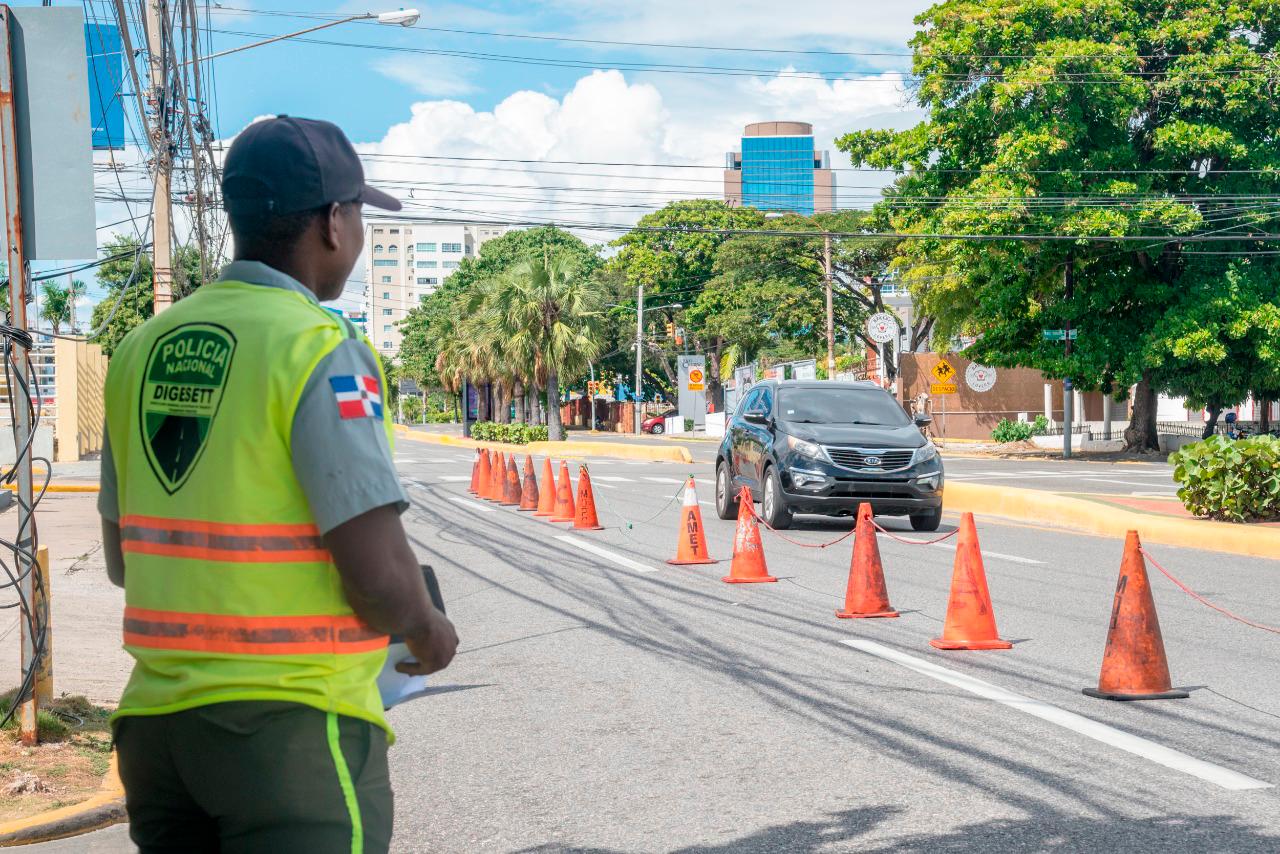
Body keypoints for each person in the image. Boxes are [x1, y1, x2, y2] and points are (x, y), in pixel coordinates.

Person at [98, 116, 458, 853]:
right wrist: (427, 630)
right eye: (358, 214)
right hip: (291, 735)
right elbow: (377, 577)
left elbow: (123, 558)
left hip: (156, 738)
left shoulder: (140, 349)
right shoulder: (320, 348)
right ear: (333, 223)